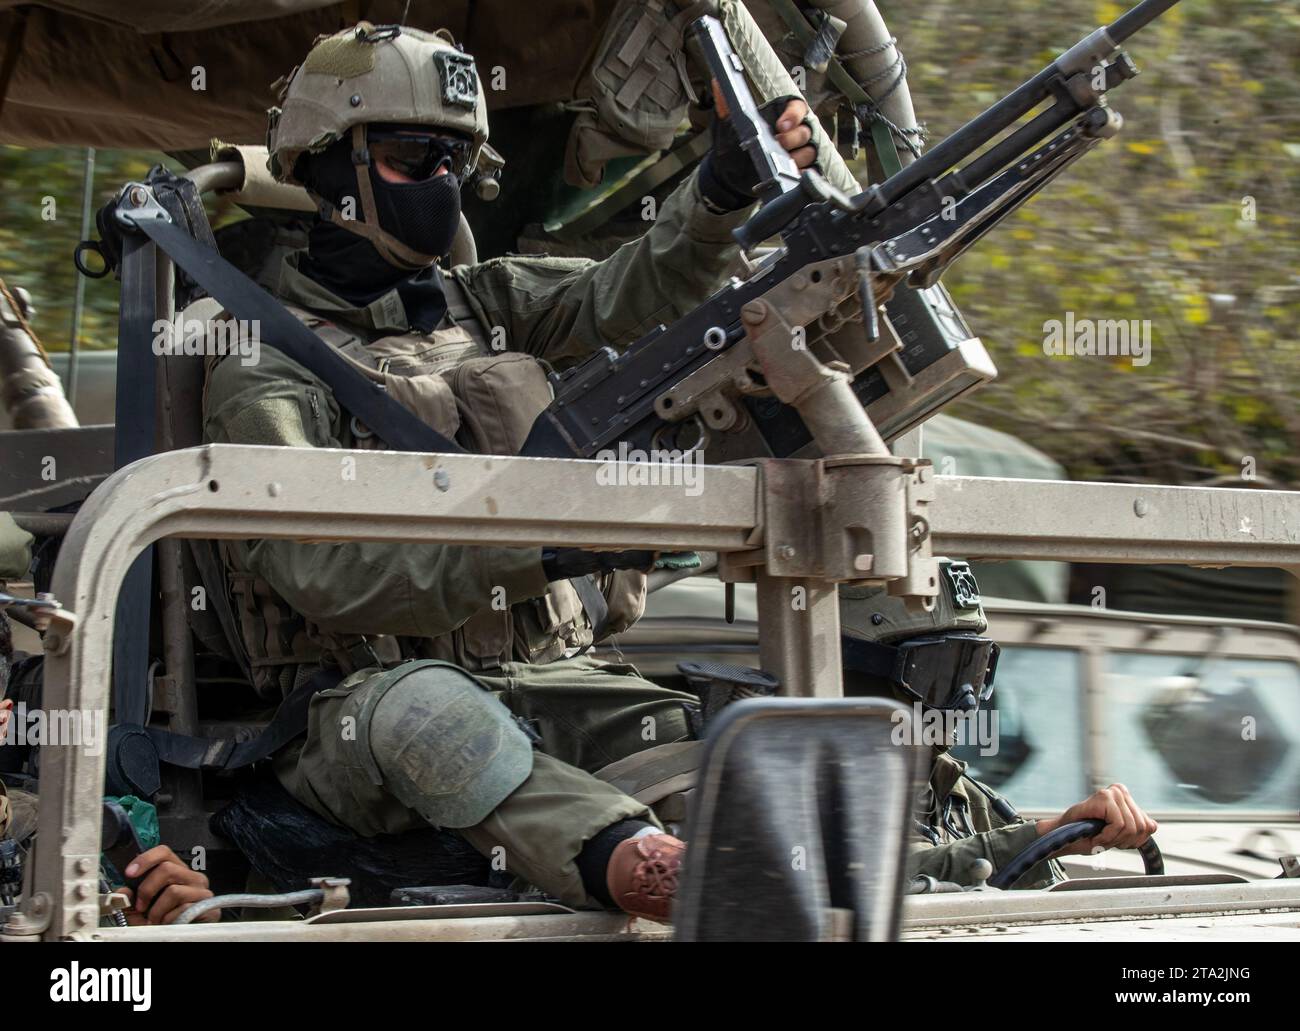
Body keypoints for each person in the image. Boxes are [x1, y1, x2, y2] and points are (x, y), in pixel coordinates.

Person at [201, 21, 817, 922]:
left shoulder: (483, 301)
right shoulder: (264, 369)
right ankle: (644, 866)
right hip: (357, 713)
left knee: (730, 742)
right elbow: (322, 570)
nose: (444, 185)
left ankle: (949, 857)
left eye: (461, 162)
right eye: (416, 157)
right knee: (431, 715)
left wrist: (717, 190)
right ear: (330, 167)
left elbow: (628, 291)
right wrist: (540, 541)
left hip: (555, 674)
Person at [840, 560, 1157, 889]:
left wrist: (1061, 837)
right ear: (855, 676)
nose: (966, 700)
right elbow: (883, 876)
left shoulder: (953, 789)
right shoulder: (811, 788)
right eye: (939, 675)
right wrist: (1046, 833)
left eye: (974, 671)